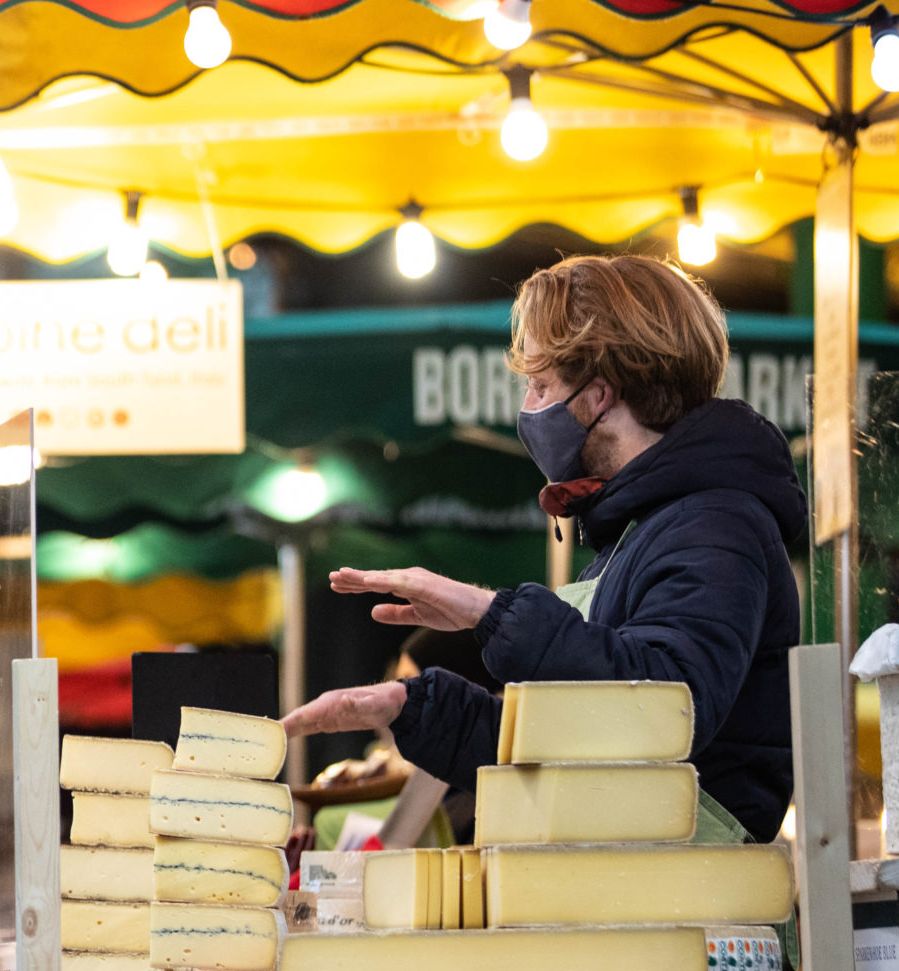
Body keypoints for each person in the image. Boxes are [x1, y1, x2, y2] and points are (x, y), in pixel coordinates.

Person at [284, 254, 803, 845]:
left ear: (599, 394)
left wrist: (490, 613)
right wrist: (411, 709)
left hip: (696, 904)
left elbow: (664, 708)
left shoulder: (715, 522)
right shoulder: (636, 533)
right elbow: (572, 739)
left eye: (540, 385)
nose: (529, 409)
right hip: (634, 884)